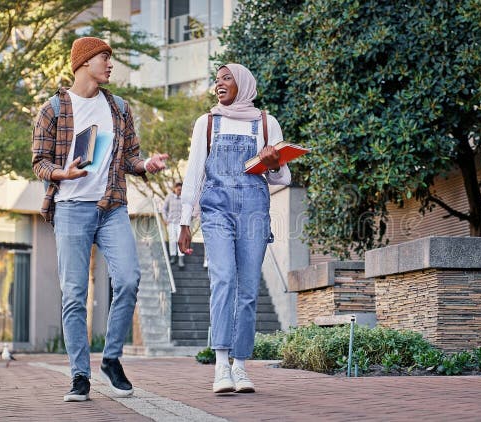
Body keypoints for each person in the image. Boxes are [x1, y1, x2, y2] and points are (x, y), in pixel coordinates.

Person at [31, 37, 168, 402]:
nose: (110, 65)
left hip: (112, 207)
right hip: (71, 210)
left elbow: (130, 158)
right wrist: (63, 173)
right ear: (84, 62)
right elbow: (39, 163)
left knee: (128, 278)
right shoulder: (53, 108)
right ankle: (79, 376)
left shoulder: (119, 108)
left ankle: (111, 358)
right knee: (74, 295)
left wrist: (146, 165)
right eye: (105, 58)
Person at [178, 63, 290, 394]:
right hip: (216, 213)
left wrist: (272, 164)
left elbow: (283, 178)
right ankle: (220, 366)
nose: (219, 85)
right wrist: (185, 220)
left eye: (226, 78)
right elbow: (195, 171)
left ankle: (240, 367)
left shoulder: (267, 124)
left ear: (243, 83)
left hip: (254, 213)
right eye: (216, 80)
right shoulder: (207, 123)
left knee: (249, 288)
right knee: (223, 279)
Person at [161, 182, 185, 268]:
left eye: (181, 190)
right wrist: (165, 219)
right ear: (175, 189)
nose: (180, 191)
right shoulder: (169, 197)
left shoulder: (184, 198)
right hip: (171, 222)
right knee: (172, 239)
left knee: (180, 241)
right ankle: (173, 257)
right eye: (178, 189)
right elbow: (163, 209)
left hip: (180, 223)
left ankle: (181, 259)